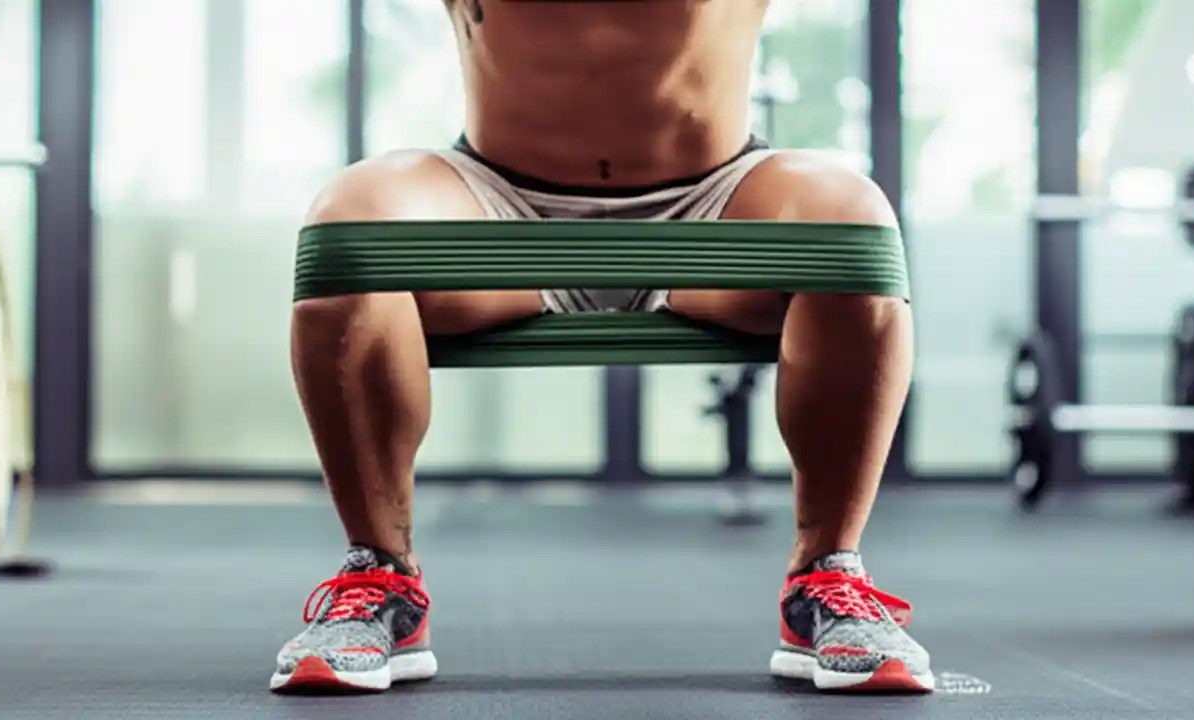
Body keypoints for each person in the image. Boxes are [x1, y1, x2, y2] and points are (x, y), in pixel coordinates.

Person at [271, 0, 931, 695]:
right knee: (348, 231)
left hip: (716, 202)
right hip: (498, 206)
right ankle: (382, 581)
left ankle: (826, 578)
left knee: (854, 229)